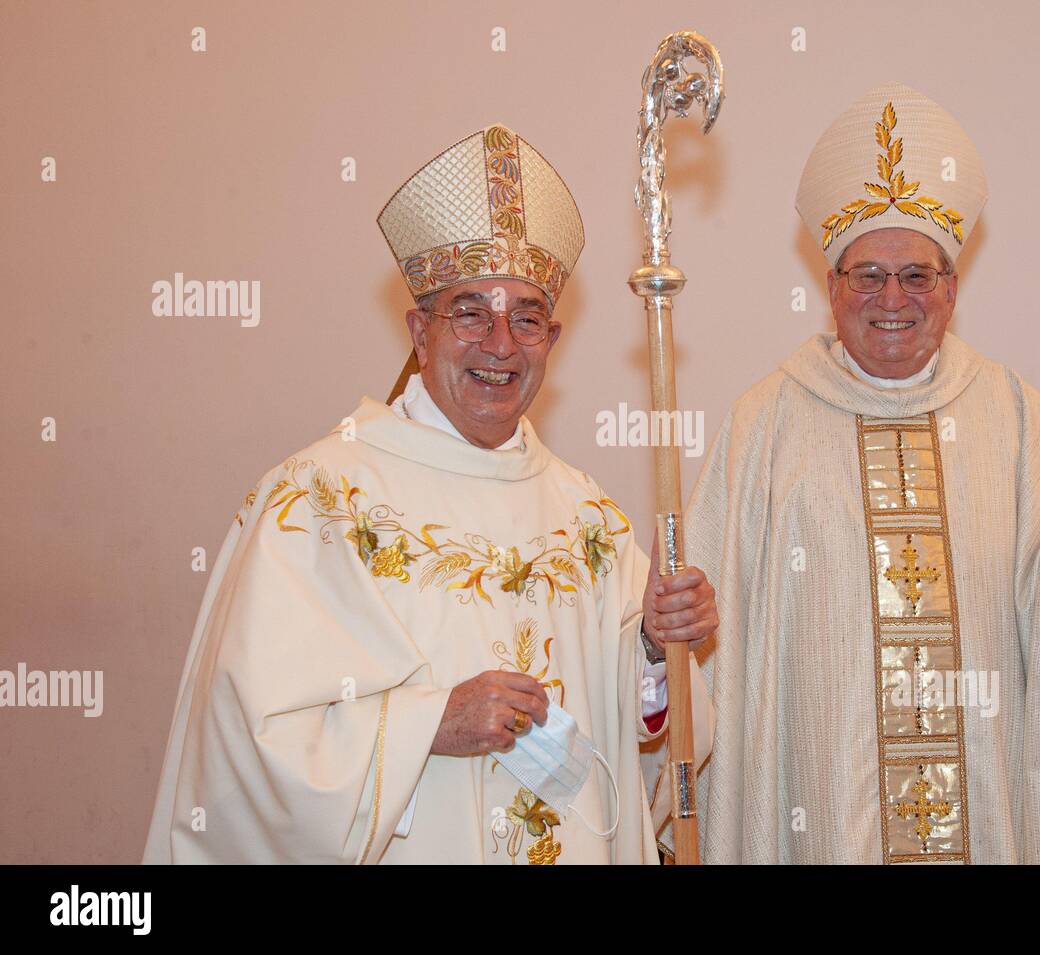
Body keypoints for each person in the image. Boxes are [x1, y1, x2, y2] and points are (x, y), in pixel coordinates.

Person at [144, 123, 716, 864]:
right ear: (420, 333)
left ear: (552, 340)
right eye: (470, 312)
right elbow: (247, 742)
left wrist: (653, 646)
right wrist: (430, 724)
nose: (501, 344)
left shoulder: (589, 520)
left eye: (527, 318)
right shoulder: (316, 502)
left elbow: (646, 734)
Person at [687, 82, 1040, 863]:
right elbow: (701, 649)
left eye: (917, 275)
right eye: (867, 275)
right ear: (831, 287)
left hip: (987, 814)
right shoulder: (763, 428)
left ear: (952, 289)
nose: (893, 299)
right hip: (821, 813)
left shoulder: (1020, 422)